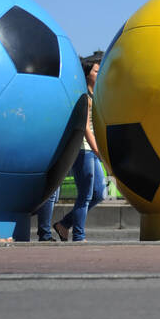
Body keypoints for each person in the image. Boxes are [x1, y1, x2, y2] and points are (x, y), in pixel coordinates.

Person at [51, 57, 107, 242]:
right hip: (84, 149)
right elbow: (85, 128)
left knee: (99, 193)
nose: (99, 74)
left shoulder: (96, 95)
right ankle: (79, 236)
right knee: (86, 194)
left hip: (92, 150)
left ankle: (64, 224)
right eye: (96, 71)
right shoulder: (85, 97)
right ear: (87, 74)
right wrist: (97, 150)